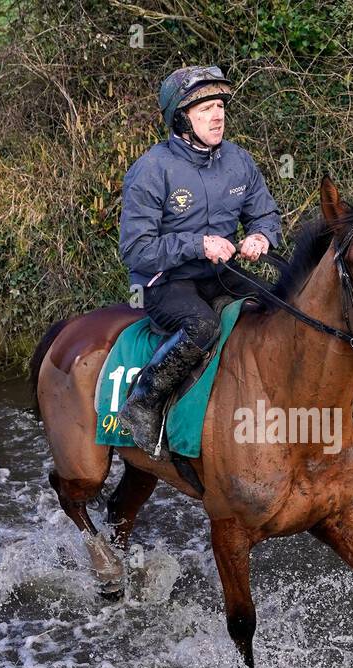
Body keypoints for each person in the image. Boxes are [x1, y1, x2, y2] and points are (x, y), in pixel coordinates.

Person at [117, 65, 283, 459]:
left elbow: (265, 213)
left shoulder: (239, 161)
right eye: (205, 107)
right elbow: (136, 249)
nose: (218, 115)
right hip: (162, 282)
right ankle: (143, 402)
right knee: (202, 325)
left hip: (219, 275)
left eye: (220, 105)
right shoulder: (152, 169)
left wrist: (261, 235)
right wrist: (199, 244)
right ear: (181, 119)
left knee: (280, 305)